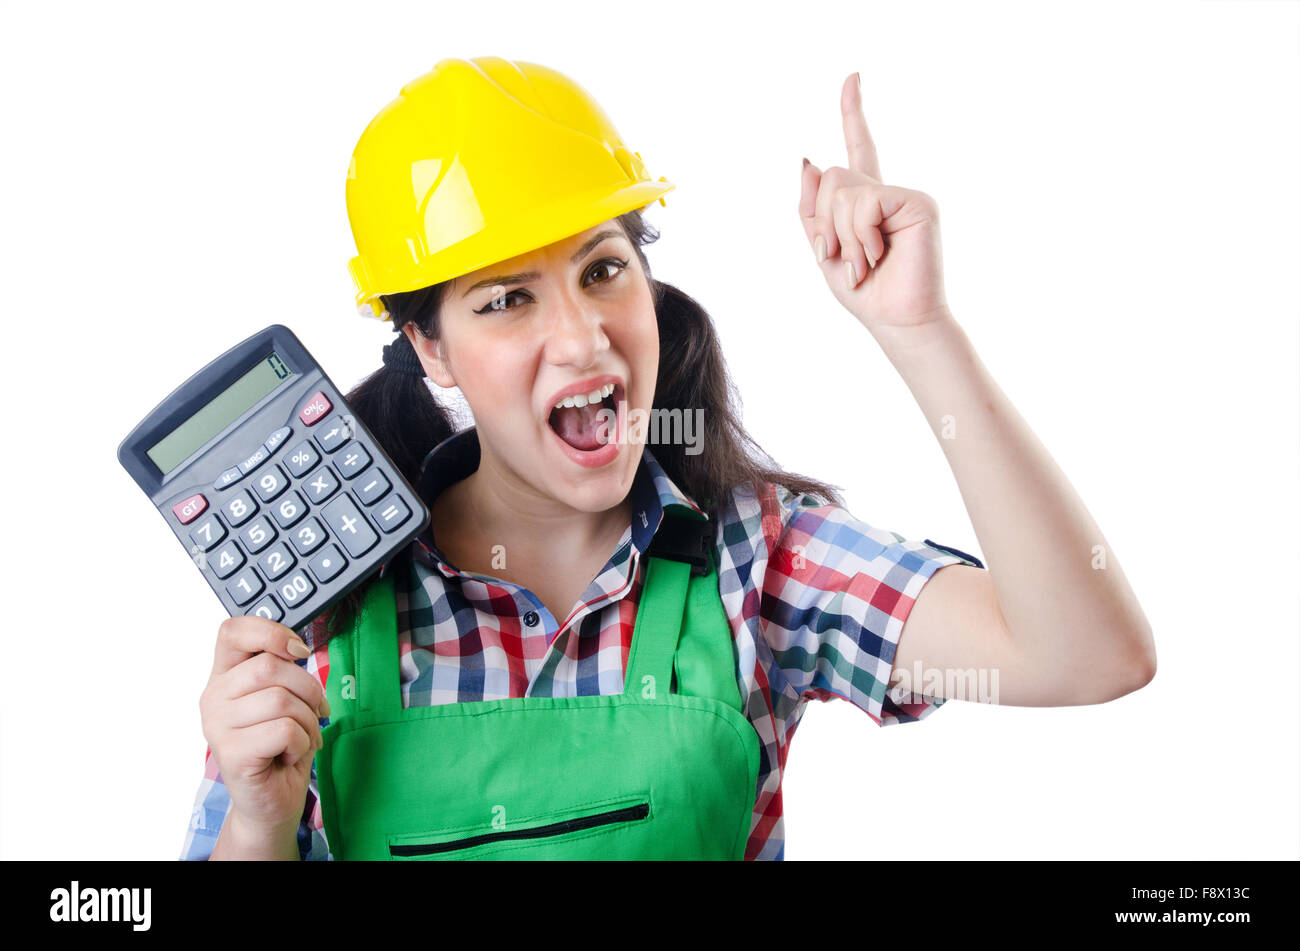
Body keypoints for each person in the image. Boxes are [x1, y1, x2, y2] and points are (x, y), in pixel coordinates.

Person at [182, 56, 1156, 861]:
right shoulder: (319, 627)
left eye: (603, 269)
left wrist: (921, 333)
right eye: (505, 298)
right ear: (429, 348)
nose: (581, 338)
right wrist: (260, 825)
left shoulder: (760, 565)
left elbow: (1087, 657)